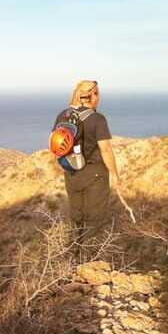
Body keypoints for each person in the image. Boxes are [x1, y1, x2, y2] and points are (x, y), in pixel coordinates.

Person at [54, 80, 121, 253]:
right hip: (95, 175)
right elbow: (105, 149)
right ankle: (89, 264)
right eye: (97, 94)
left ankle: (73, 260)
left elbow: (56, 144)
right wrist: (115, 174)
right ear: (93, 95)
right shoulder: (97, 119)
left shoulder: (63, 115)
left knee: (76, 219)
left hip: (72, 173)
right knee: (94, 221)